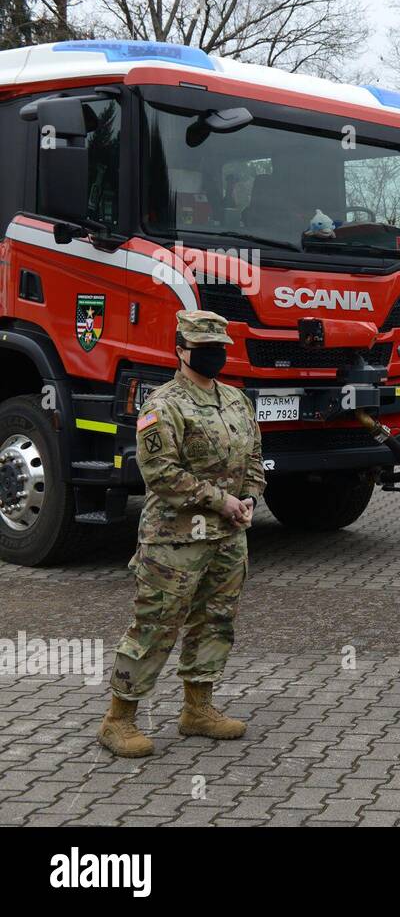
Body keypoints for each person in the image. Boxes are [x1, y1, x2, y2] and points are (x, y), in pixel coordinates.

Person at [98, 310, 263, 757]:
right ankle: (119, 719)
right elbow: (160, 474)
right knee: (156, 625)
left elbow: (253, 457)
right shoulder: (162, 404)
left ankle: (197, 710)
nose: (214, 356)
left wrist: (248, 497)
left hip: (228, 537)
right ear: (181, 349)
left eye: (219, 349)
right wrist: (218, 500)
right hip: (174, 540)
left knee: (215, 621)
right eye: (204, 349)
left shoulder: (235, 399)